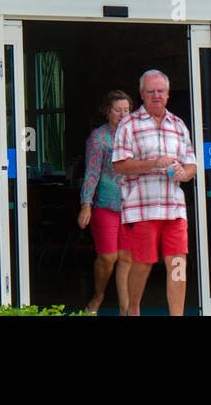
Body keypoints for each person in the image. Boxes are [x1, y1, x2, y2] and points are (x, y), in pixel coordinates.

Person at [111, 69, 196, 316]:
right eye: (151, 92)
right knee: (143, 263)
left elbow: (191, 164)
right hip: (142, 208)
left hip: (174, 207)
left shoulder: (178, 125)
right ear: (142, 94)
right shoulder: (129, 124)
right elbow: (119, 165)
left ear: (168, 94)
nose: (156, 96)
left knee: (178, 263)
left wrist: (185, 172)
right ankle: (133, 309)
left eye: (160, 91)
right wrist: (152, 163)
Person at [77, 90, 133, 315]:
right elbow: (91, 173)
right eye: (117, 110)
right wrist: (85, 205)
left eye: (126, 110)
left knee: (127, 258)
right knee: (108, 257)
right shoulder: (98, 138)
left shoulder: (135, 136)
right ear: (107, 112)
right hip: (105, 206)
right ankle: (98, 297)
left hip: (130, 207)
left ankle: (125, 309)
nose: (122, 114)